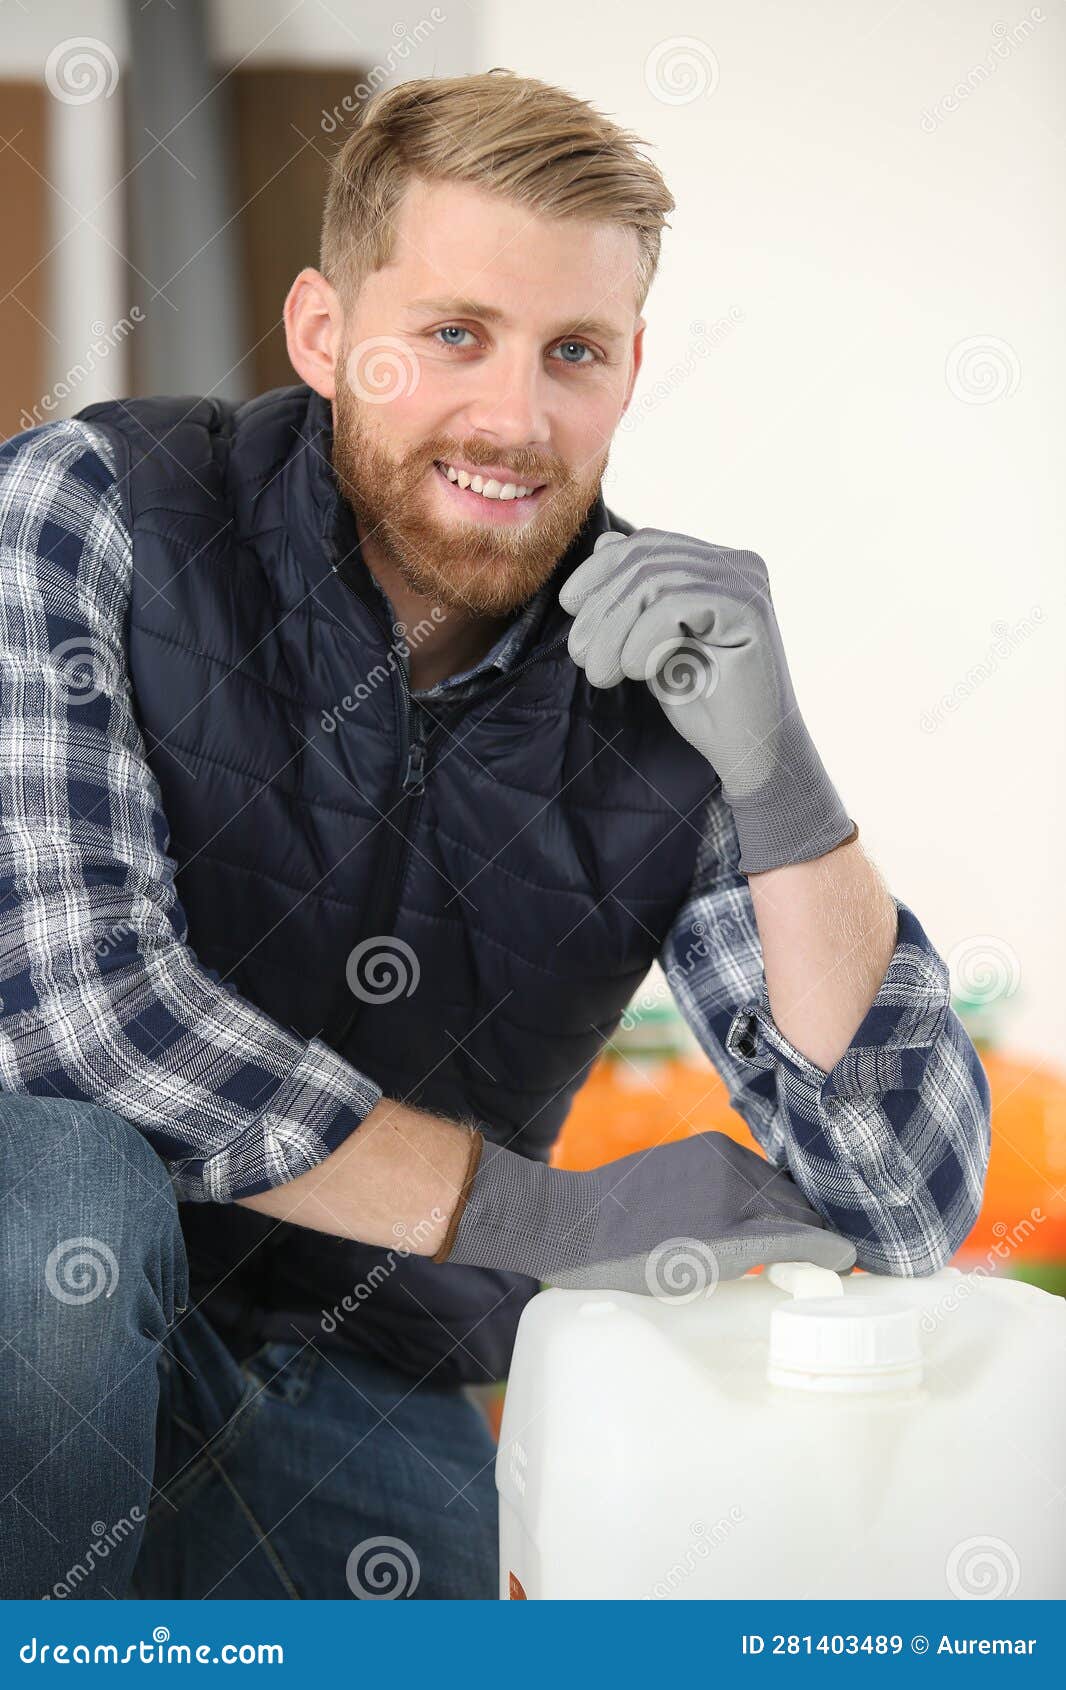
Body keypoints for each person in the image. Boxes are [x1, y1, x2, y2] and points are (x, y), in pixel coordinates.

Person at [0, 69, 989, 1601]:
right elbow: (75, 1016)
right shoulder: (91, 505)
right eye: (454, 335)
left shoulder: (674, 687)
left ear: (631, 368)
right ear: (326, 333)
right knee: (49, 1183)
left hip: (357, 1378)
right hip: (32, 1319)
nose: (514, 418)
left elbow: (902, 1197)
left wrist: (779, 777)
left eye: (573, 353)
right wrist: (553, 1213)